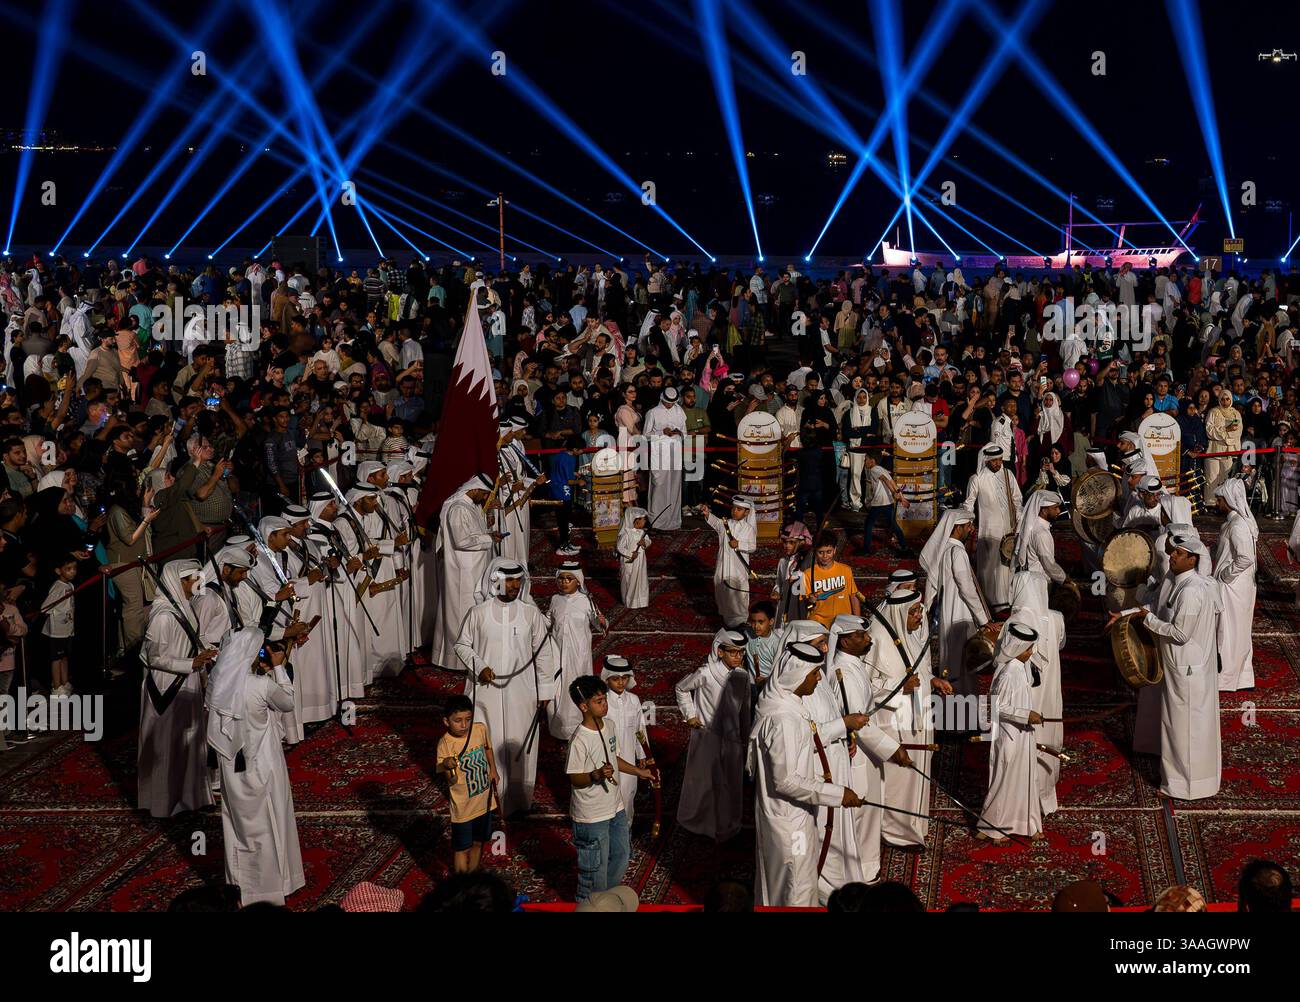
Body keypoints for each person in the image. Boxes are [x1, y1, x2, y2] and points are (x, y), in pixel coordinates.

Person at [748, 641, 864, 906]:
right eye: (813, 674)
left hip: (792, 817)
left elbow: (805, 741)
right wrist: (837, 794)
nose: (818, 678)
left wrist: (841, 725)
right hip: (791, 825)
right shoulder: (784, 720)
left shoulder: (787, 706)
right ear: (797, 675)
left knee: (791, 882)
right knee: (797, 885)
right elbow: (786, 780)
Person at [1112, 536, 1222, 800]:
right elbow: (1161, 610)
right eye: (1173, 552)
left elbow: (1180, 633)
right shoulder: (1182, 584)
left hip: (1187, 672)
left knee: (1183, 729)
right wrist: (1127, 615)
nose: (1171, 556)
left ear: (1192, 559)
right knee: (1182, 728)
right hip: (1183, 668)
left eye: (1178, 553)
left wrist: (1148, 620)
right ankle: (1185, 781)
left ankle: (1183, 786)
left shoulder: (1192, 591)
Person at [206, 628, 305, 907]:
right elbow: (287, 702)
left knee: (240, 826)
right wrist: (278, 668)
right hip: (263, 764)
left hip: (232, 767)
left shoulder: (217, 687)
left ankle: (244, 886)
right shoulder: (260, 685)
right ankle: (280, 881)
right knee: (273, 818)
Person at [454, 560, 555, 817]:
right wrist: (480, 666)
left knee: (521, 743)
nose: (514, 585)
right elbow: (462, 645)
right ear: (495, 581)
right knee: (487, 742)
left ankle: (519, 801)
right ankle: (486, 801)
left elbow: (543, 653)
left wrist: (544, 691)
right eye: (509, 580)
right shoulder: (478, 613)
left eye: (517, 580)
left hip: (522, 691)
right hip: (485, 692)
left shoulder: (531, 614)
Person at [821, 615, 904, 894]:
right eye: (861, 636)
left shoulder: (853, 666)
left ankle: (867, 867)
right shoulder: (842, 672)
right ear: (845, 640)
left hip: (867, 754)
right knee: (861, 814)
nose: (868, 639)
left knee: (868, 814)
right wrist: (894, 750)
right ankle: (861, 872)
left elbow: (868, 698)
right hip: (856, 754)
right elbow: (859, 724)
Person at [138, 559, 217, 818]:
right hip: (165, 687)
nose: (197, 584)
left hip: (189, 680)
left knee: (190, 739)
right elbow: (155, 658)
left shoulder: (185, 608)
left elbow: (195, 637)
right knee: (166, 744)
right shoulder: (162, 617)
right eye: (193, 579)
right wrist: (189, 663)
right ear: (178, 581)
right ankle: (163, 803)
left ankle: (191, 797)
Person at [866, 590, 944, 848]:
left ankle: (913, 826)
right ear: (899, 613)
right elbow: (866, 685)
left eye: (920, 610)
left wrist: (933, 681)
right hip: (894, 722)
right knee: (899, 777)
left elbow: (918, 670)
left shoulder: (908, 635)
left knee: (916, 775)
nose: (919, 616)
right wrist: (900, 687)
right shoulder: (877, 639)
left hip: (917, 718)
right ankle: (893, 831)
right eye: (913, 611)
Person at [565, 675, 652, 902]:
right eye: (598, 701)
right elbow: (575, 778)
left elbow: (614, 758)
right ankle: (590, 904)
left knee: (622, 855)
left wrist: (639, 771)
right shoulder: (579, 739)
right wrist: (594, 775)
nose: (604, 705)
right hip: (592, 816)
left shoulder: (610, 725)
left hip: (615, 806)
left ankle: (605, 903)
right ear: (584, 706)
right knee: (595, 872)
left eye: (604, 699)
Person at [674, 628, 752, 841]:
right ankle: (701, 822)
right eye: (733, 652)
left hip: (732, 738)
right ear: (720, 652)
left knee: (730, 782)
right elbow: (681, 689)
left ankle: (726, 823)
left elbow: (744, 709)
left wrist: (746, 739)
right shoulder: (705, 673)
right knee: (705, 781)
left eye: (741, 653)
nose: (738, 657)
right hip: (707, 735)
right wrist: (690, 715)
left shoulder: (742, 676)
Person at [920, 508, 996, 703]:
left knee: (952, 662)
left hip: (949, 611)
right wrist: (984, 619)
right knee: (963, 665)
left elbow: (933, 584)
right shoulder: (956, 551)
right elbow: (967, 589)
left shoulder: (945, 549)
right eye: (968, 525)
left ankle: (953, 718)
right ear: (957, 527)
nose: (971, 529)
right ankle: (962, 720)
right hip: (960, 613)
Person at [1005, 570, 1065, 816]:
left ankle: (1021, 805)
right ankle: (1045, 797)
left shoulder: (1014, 621)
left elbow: (1003, 657)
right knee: (1048, 732)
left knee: (1021, 741)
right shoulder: (1056, 618)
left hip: (1023, 693)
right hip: (1050, 688)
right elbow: (1060, 644)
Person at [978, 621, 1044, 841]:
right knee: (1004, 780)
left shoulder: (1019, 668)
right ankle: (993, 826)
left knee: (1025, 777)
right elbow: (998, 708)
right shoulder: (1007, 673)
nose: (1031, 652)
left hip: (1023, 735)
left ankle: (1027, 823)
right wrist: (1026, 715)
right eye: (1027, 648)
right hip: (1009, 735)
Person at [431, 473, 500, 669]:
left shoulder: (470, 506)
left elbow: (474, 534)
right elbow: (462, 540)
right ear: (475, 489)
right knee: (461, 614)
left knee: (471, 612)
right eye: (485, 493)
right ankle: (458, 661)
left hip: (474, 569)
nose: (486, 498)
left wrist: (489, 534)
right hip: (463, 573)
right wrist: (489, 539)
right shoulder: (458, 508)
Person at [435, 694, 499, 874]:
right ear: (446, 722)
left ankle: (473, 876)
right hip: (463, 808)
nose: (464, 725)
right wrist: (447, 765)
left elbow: (488, 748)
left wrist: (493, 769)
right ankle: (462, 883)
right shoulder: (445, 744)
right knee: (462, 848)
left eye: (468, 719)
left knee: (479, 842)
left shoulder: (479, 730)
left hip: (484, 802)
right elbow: (449, 777)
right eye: (458, 721)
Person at [546, 560, 606, 741]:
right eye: (561, 579)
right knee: (559, 688)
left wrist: (602, 621)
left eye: (569, 579)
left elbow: (599, 623)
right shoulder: (555, 600)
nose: (564, 582)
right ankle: (560, 727)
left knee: (579, 688)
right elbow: (549, 621)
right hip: (558, 653)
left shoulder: (586, 601)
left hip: (579, 655)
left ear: (578, 581)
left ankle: (581, 726)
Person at [962, 444, 1023, 610]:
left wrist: (1018, 519)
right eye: (994, 460)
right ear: (986, 460)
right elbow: (969, 504)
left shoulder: (1008, 474)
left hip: (1009, 528)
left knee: (1007, 564)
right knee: (989, 567)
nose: (998, 463)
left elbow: (1017, 499)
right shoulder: (977, 479)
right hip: (988, 530)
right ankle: (990, 602)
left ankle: (1006, 600)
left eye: (1000, 459)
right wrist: (969, 523)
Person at [1213, 478, 1257, 691]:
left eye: (1219, 500)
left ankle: (1227, 679)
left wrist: (1225, 575)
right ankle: (1241, 677)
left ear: (1228, 500)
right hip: (1238, 586)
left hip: (1233, 587)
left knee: (1228, 632)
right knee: (1236, 632)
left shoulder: (1238, 525)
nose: (1217, 503)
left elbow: (1245, 558)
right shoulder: (1235, 522)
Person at [601, 655, 649, 823]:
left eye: (624, 678)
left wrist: (642, 754)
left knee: (628, 793)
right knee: (608, 793)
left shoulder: (634, 700)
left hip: (628, 755)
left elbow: (640, 728)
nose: (620, 682)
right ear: (607, 679)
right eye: (615, 679)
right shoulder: (602, 701)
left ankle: (625, 830)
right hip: (606, 757)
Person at [696, 496, 757, 627]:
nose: (735, 511)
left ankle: (741, 622)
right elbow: (716, 523)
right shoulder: (725, 524)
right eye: (734, 508)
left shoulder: (748, 529)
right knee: (723, 592)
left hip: (738, 569)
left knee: (739, 594)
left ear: (746, 512)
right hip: (723, 566)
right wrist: (707, 514)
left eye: (739, 509)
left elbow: (752, 546)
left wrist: (739, 544)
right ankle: (727, 621)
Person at [642, 385, 687, 530]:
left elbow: (685, 433)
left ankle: (673, 521)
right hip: (659, 453)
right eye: (668, 402)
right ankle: (656, 521)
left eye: (673, 402)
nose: (670, 405)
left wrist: (679, 433)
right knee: (659, 485)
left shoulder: (679, 411)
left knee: (674, 486)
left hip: (675, 453)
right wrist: (662, 432)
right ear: (662, 398)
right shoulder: (653, 413)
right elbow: (645, 435)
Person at [799, 530, 862, 628]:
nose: (825, 556)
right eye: (821, 552)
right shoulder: (807, 574)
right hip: (819, 624)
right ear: (815, 551)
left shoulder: (846, 570)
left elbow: (853, 596)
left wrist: (858, 621)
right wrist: (810, 600)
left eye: (828, 552)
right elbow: (804, 605)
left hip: (843, 622)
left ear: (835, 550)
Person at [860, 452, 912, 556]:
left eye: (866, 459)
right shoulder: (882, 469)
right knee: (893, 525)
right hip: (888, 502)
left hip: (879, 503)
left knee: (868, 524)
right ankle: (905, 547)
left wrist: (894, 493)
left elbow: (885, 480)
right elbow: (892, 482)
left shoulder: (874, 470)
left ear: (872, 460)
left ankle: (866, 550)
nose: (864, 461)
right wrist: (901, 498)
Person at [40, 555, 77, 696]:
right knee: (56, 659)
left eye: (74, 568)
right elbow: (45, 607)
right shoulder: (58, 587)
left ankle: (64, 682)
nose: (72, 572)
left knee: (64, 657)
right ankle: (56, 687)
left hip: (67, 630)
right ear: (58, 571)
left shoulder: (70, 585)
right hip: (56, 632)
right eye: (68, 569)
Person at [1012, 489, 1067, 584]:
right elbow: (1049, 565)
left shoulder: (1032, 526)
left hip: (1031, 579)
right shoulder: (1041, 533)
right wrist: (1065, 579)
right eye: (1055, 508)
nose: (1059, 511)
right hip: (1037, 582)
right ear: (1044, 511)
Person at [615, 506, 651, 609]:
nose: (645, 522)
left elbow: (648, 541)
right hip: (629, 561)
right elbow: (620, 547)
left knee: (640, 579)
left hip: (640, 561)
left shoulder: (642, 533)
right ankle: (629, 600)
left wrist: (644, 542)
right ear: (635, 520)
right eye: (643, 520)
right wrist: (630, 554)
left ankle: (641, 600)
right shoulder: (626, 533)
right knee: (628, 579)